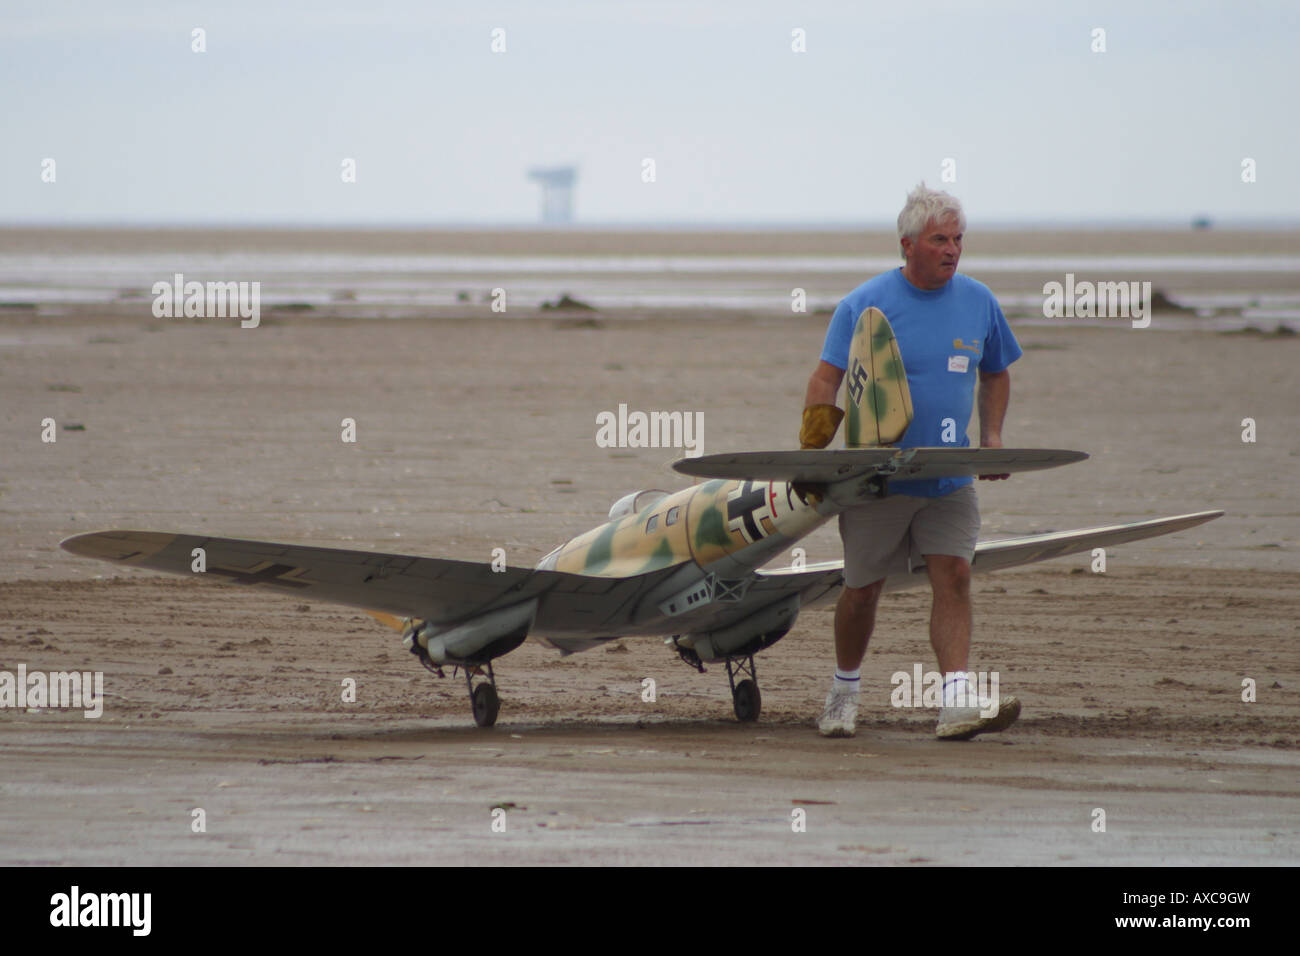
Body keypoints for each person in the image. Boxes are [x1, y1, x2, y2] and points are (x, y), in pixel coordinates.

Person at [800, 183, 1022, 740]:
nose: (952, 250)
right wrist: (813, 454)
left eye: (958, 239)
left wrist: (992, 438)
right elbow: (826, 378)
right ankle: (843, 690)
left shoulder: (979, 301)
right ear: (907, 245)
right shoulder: (866, 305)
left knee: (955, 575)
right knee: (862, 589)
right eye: (940, 239)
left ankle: (955, 702)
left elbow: (996, 372)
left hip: (948, 476)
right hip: (879, 477)